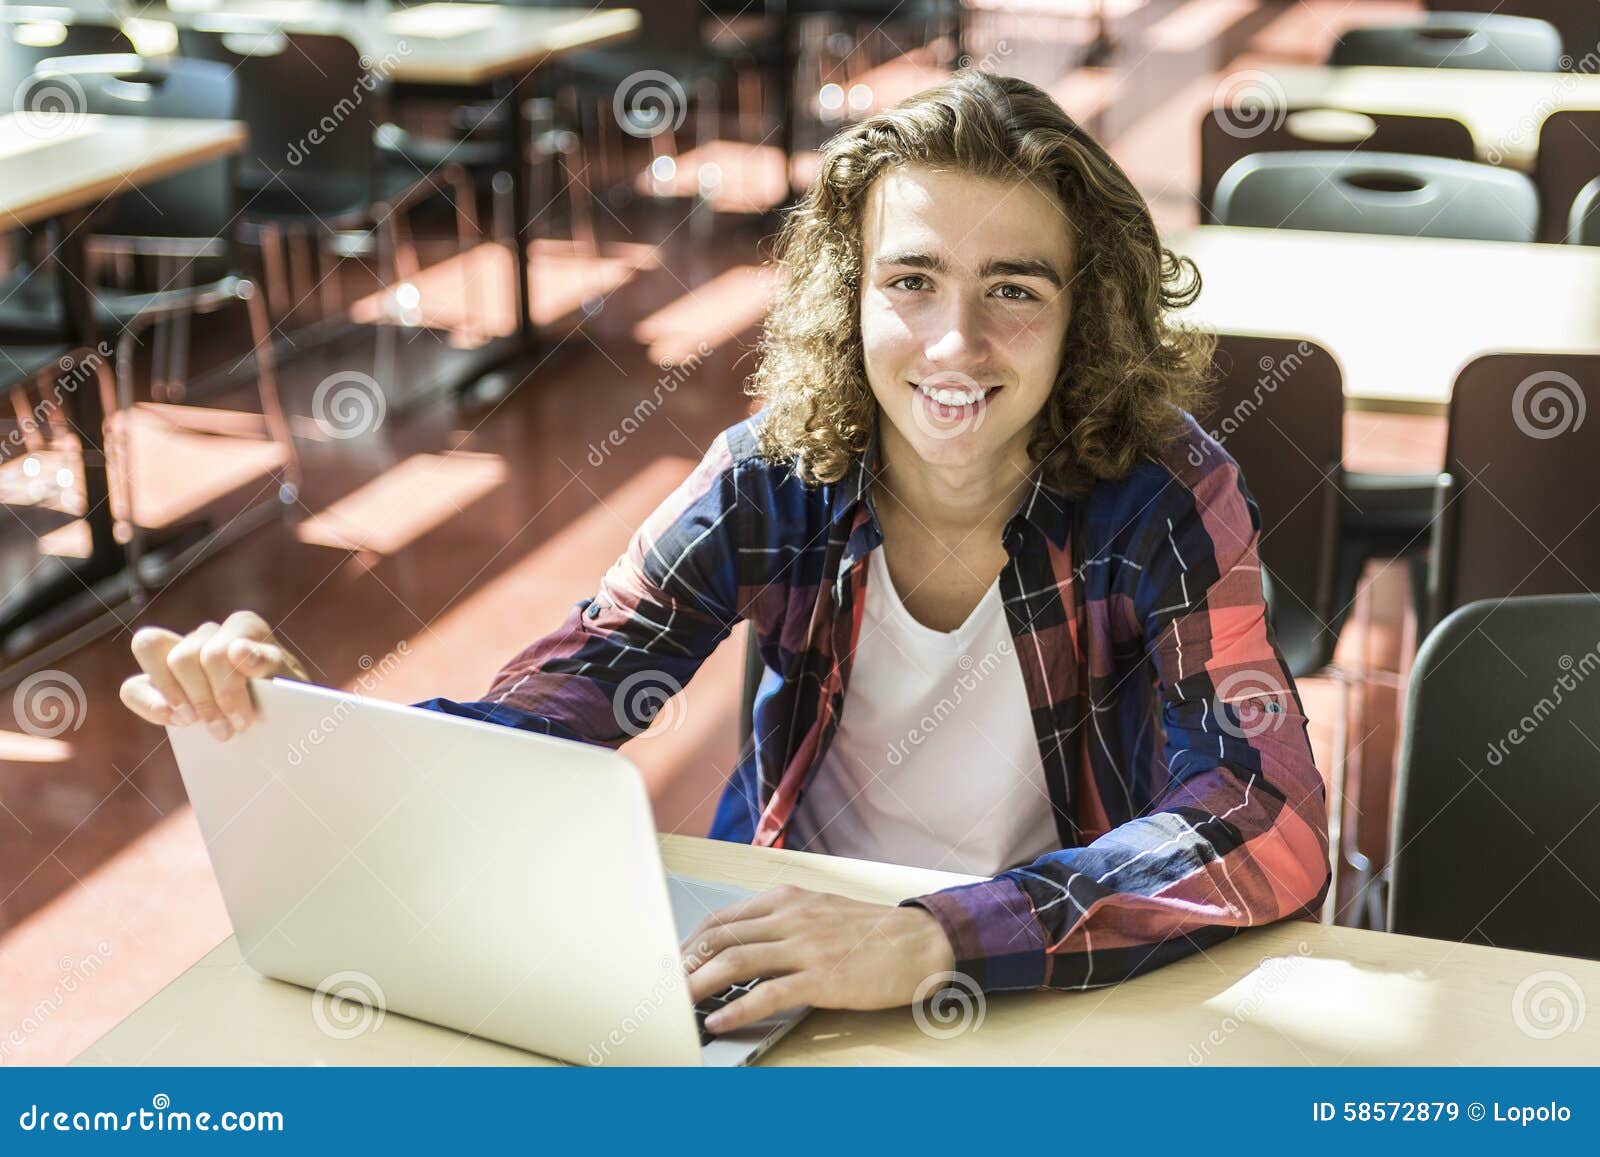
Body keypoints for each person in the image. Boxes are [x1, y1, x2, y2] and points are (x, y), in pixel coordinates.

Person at [121, 71, 1329, 1037]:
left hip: (1048, 974)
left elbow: (1266, 814)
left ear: (1084, 315)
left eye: (1012, 289)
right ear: (850, 295)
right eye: (911, 280)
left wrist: (933, 935)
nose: (953, 341)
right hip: (787, 967)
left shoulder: (1164, 494)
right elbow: (555, 705)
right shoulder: (768, 476)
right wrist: (315, 729)